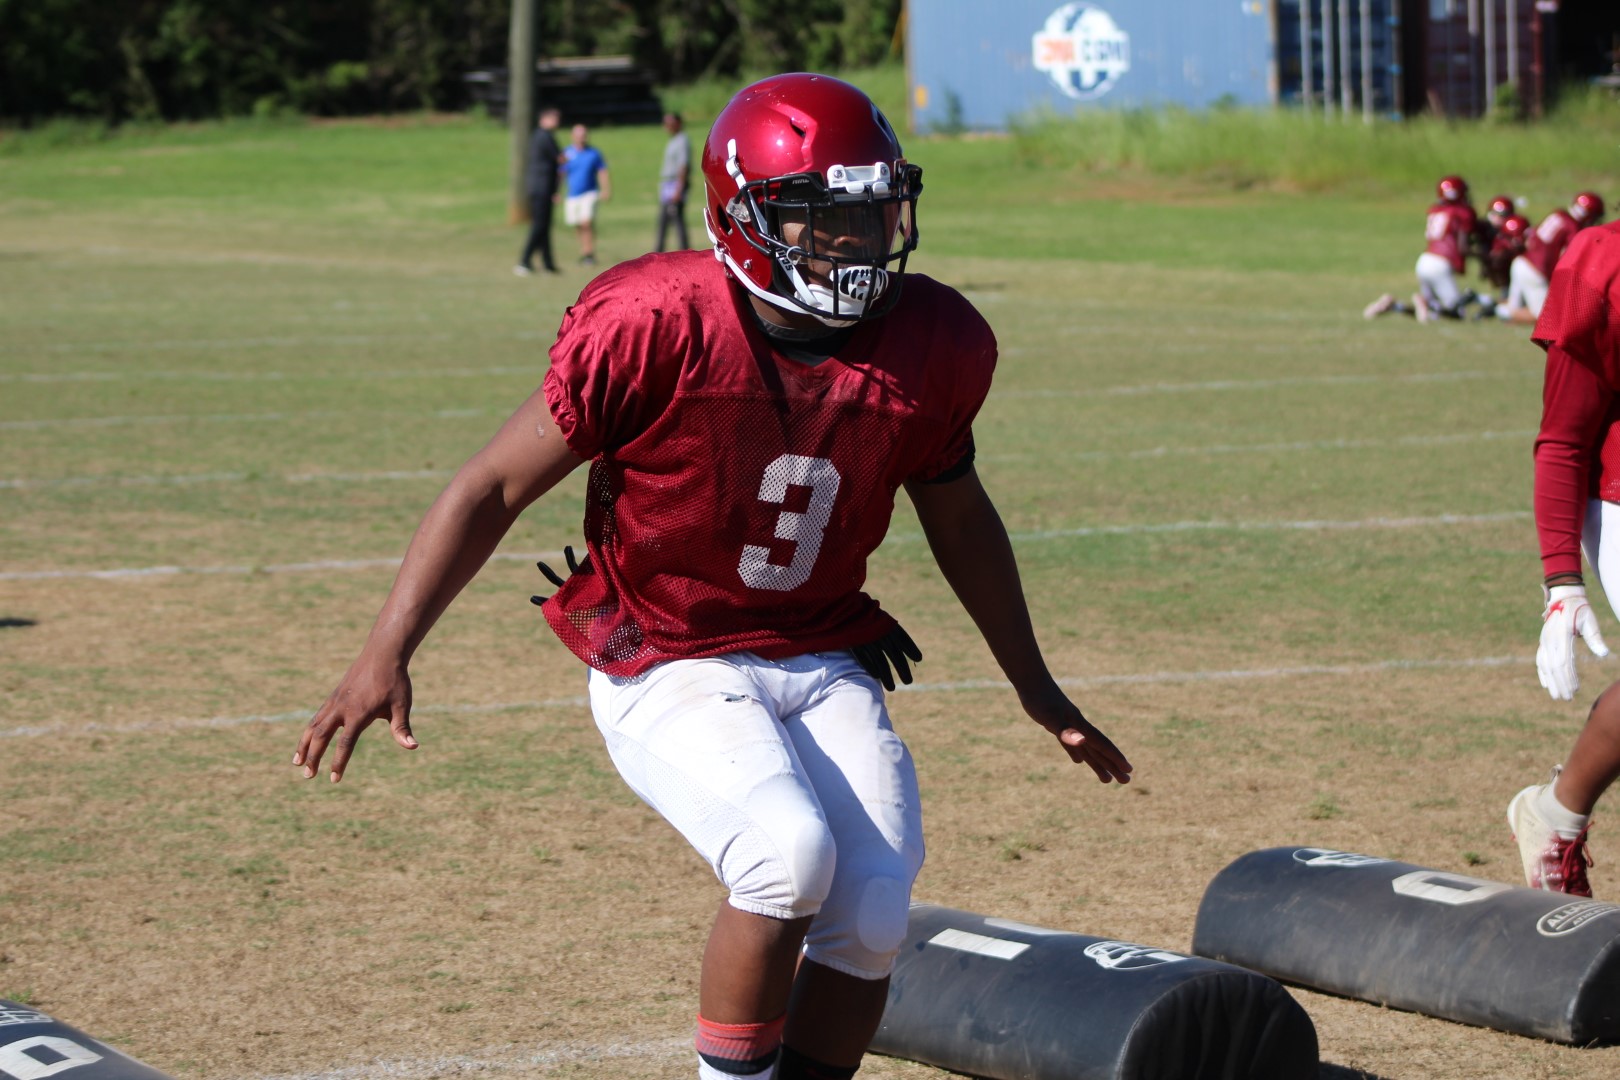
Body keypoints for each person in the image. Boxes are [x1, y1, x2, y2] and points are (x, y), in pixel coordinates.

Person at [291, 72, 1132, 1080]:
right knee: (787, 855)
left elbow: (958, 513)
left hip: (819, 650)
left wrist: (1035, 685)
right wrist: (386, 648)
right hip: (667, 650)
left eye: (871, 214)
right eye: (822, 220)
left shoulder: (933, 341)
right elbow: (489, 487)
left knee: (870, 908)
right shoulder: (656, 321)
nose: (856, 242)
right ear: (741, 219)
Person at [1514, 213, 1620, 897]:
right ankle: (1554, 816)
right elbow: (1563, 437)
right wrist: (1562, 583)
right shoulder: (1605, 261)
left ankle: (1554, 815)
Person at [1363, 175, 1484, 323]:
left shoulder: (1436, 210)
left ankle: (1396, 306)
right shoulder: (1462, 212)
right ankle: (1424, 303)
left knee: (1431, 314)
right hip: (1441, 263)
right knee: (1457, 313)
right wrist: (1483, 255)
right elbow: (1463, 247)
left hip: (1425, 260)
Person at [1498, 192, 1607, 325]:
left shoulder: (1559, 214)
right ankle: (1498, 311)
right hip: (1534, 271)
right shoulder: (1572, 227)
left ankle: (1500, 309)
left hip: (1522, 262)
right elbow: (1570, 258)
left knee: (1516, 306)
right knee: (1548, 318)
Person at [514, 107, 563, 276]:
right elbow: (560, 158)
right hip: (542, 188)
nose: (557, 122)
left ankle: (548, 263)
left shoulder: (539, 136)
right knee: (539, 225)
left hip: (541, 188)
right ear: (545, 119)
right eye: (554, 118)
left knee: (545, 226)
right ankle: (524, 260)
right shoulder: (545, 136)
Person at [1471, 194, 1529, 320]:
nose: (1497, 219)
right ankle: (1495, 306)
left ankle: (1488, 303)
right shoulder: (1486, 229)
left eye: (1501, 215)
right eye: (1494, 214)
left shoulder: (1514, 227)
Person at [560, 123, 611, 266]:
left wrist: (606, 189)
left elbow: (602, 172)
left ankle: (589, 252)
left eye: (583, 136)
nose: (581, 138)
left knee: (586, 222)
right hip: (572, 194)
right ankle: (583, 251)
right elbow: (561, 173)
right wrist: (556, 192)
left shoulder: (594, 154)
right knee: (576, 224)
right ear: (573, 137)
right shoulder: (567, 153)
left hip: (590, 193)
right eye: (578, 136)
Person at [656, 111, 692, 252]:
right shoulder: (674, 140)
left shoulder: (682, 141)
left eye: (669, 123)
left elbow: (683, 166)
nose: (666, 126)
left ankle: (684, 249)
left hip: (674, 185)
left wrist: (678, 189)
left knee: (676, 219)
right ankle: (659, 249)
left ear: (678, 123)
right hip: (668, 185)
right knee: (665, 219)